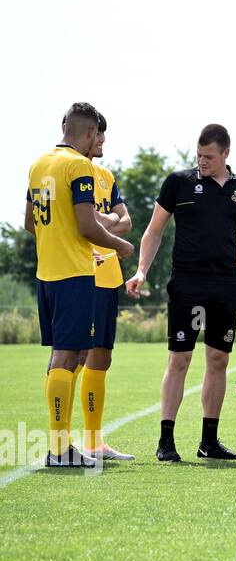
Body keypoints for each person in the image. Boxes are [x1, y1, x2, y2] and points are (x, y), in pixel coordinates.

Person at [126, 123, 236, 463]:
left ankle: (209, 442)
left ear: (226, 154)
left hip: (226, 287)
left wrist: (224, 266)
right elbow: (153, 231)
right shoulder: (178, 183)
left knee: (218, 360)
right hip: (187, 285)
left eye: (209, 157)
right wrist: (142, 270)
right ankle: (166, 441)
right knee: (180, 358)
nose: (202, 161)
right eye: (199, 155)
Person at [26, 102, 135, 467]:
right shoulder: (79, 166)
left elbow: (30, 222)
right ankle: (59, 449)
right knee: (68, 356)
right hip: (75, 273)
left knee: (63, 355)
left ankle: (61, 446)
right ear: (90, 133)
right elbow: (88, 225)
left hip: (47, 272)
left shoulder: (39, 164)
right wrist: (121, 244)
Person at [74, 110, 135, 461]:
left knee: (102, 357)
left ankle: (95, 442)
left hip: (109, 275)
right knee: (73, 355)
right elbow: (82, 220)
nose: (102, 141)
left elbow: (123, 221)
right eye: (98, 135)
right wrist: (106, 221)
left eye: (103, 135)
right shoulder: (70, 169)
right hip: (81, 274)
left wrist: (106, 220)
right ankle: (63, 441)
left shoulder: (105, 176)